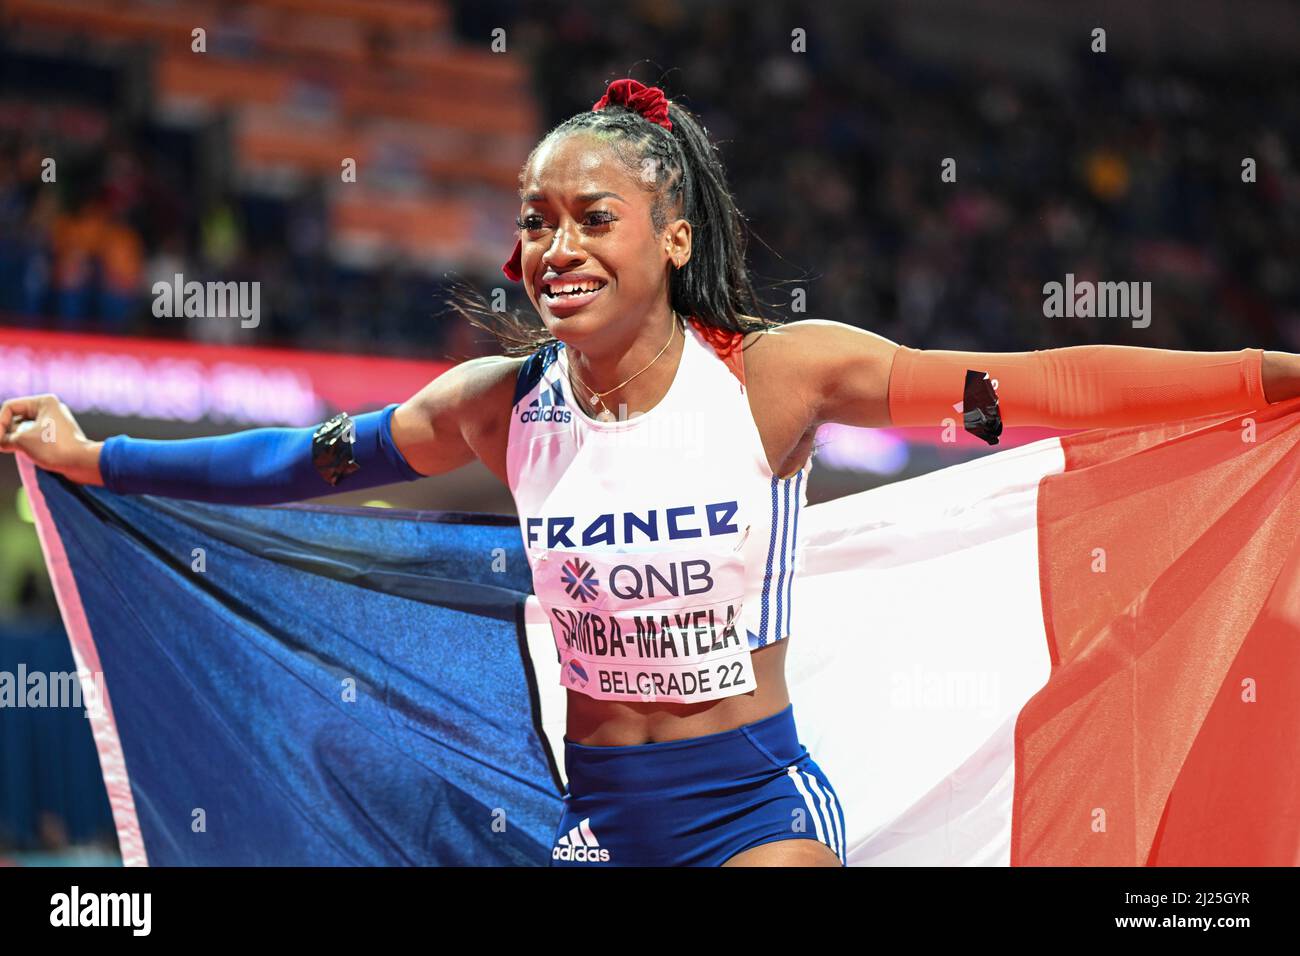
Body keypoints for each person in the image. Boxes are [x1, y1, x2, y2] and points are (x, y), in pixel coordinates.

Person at [4, 79, 1300, 868]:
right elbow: (306, 458)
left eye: (592, 217)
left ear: (673, 239)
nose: (553, 246)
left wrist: (1258, 375)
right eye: (534, 221)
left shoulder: (778, 376)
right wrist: (101, 458)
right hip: (597, 819)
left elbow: (1026, 384)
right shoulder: (498, 410)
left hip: (753, 811)